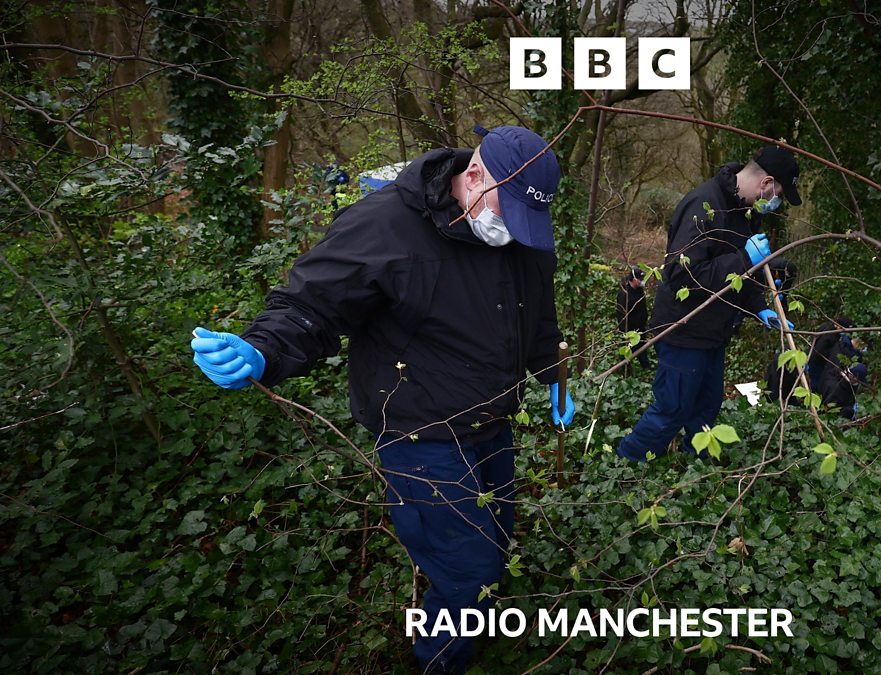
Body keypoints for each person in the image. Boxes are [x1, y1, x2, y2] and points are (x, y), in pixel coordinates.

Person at [189, 124, 575, 675]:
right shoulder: (386, 226)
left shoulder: (523, 236)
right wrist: (263, 349)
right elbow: (313, 305)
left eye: (525, 219)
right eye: (506, 212)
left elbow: (536, 316)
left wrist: (552, 376)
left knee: (495, 541)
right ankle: (436, 663)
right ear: (473, 176)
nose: (512, 230)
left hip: (493, 419)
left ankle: (466, 609)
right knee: (467, 568)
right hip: (421, 432)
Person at [616, 146, 802, 462]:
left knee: (706, 406)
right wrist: (743, 258)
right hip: (683, 330)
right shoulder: (703, 206)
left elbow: (741, 276)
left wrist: (759, 306)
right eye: (780, 194)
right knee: (672, 409)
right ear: (766, 183)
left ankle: (695, 465)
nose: (778, 202)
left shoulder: (747, 213)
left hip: (714, 333)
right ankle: (627, 463)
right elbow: (681, 274)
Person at [616, 266, 651, 370]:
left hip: (640, 329)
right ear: (634, 279)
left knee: (642, 350)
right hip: (629, 331)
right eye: (640, 280)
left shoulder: (639, 291)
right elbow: (621, 314)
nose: (642, 282)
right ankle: (624, 370)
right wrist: (625, 332)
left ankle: (646, 369)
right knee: (627, 352)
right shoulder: (624, 294)